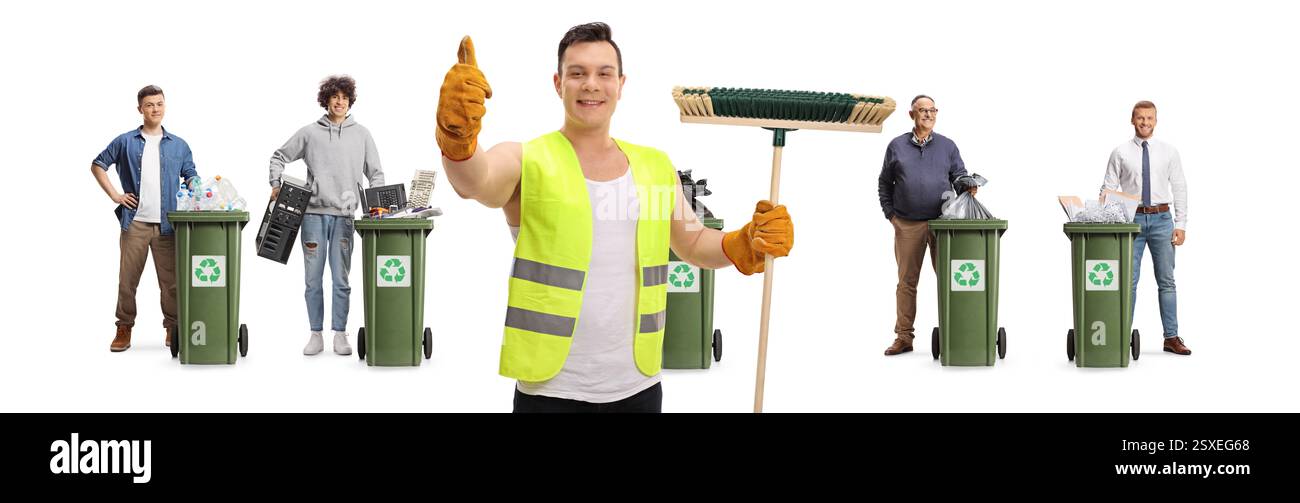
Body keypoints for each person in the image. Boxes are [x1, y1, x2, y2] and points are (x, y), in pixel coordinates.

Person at [436, 23, 794, 412]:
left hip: (638, 387)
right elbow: (475, 181)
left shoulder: (655, 166)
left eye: (604, 73)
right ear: (558, 83)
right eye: (577, 73)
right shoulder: (527, 159)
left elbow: (692, 242)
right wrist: (457, 141)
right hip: (550, 391)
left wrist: (743, 244)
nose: (591, 84)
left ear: (621, 84)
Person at [268, 75, 385, 356]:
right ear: (327, 100)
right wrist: (276, 183)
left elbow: (376, 173)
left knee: (341, 280)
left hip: (345, 216)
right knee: (313, 279)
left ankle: (340, 333)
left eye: (345, 97)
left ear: (350, 101)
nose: (340, 102)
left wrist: (377, 205)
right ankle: (315, 333)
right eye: (335, 97)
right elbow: (278, 156)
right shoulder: (309, 133)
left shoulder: (362, 134)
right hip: (312, 216)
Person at [92, 85, 200, 352]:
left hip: (168, 225)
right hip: (135, 223)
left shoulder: (179, 145)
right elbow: (98, 164)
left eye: (160, 104)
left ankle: (173, 328)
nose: (155, 109)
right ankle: (124, 328)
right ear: (140, 109)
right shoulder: (125, 141)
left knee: (172, 282)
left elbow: (191, 174)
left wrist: (198, 187)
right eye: (150, 105)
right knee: (128, 280)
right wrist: (116, 195)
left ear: (165, 106)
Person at [877, 95, 975, 356]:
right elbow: (884, 183)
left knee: (949, 279)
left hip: (943, 225)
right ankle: (904, 337)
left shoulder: (947, 146)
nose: (928, 115)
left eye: (932, 110)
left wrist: (968, 184)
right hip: (907, 224)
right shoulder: (896, 146)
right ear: (912, 114)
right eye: (923, 110)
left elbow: (958, 176)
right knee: (907, 283)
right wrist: (891, 215)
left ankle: (956, 332)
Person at [1102, 100, 1190, 355]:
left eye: (1149, 118)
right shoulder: (1120, 152)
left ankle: (1171, 337)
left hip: (1163, 220)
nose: (1145, 122)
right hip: (1133, 222)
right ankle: (1121, 336)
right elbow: (1107, 189)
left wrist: (1181, 224)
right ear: (1132, 120)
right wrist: (1107, 218)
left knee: (1167, 281)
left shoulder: (1169, 152)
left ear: (1156, 120)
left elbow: (1180, 187)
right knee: (1128, 281)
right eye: (1140, 118)